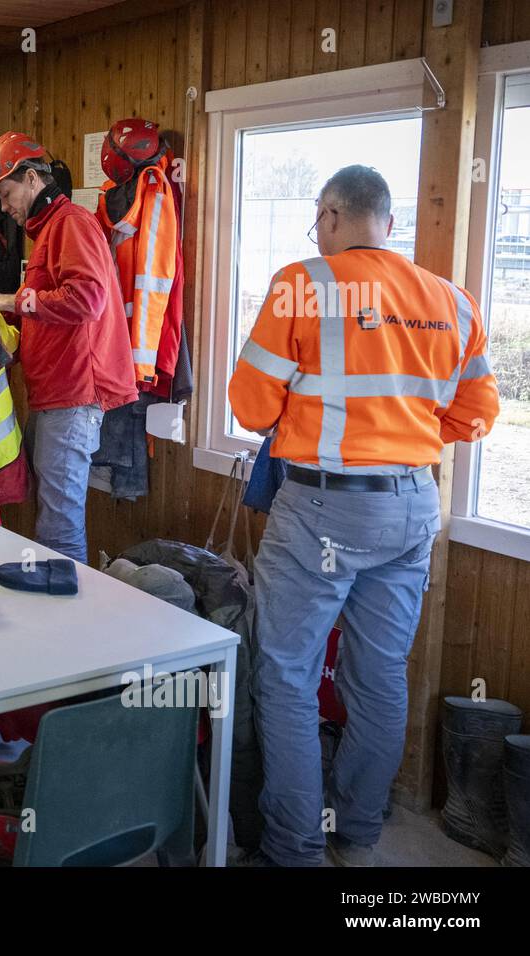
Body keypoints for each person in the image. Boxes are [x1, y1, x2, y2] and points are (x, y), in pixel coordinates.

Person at [229, 165, 500, 866]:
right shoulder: (451, 300)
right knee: (379, 678)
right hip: (411, 506)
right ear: (388, 221)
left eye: (318, 222)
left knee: (287, 675)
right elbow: (476, 416)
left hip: (323, 505)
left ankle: (294, 849)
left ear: (331, 215)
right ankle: (357, 835)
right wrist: (400, 435)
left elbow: (251, 407)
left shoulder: (304, 283)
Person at [0, 132, 138, 563]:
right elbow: (51, 313)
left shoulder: (72, 224)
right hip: (54, 394)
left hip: (74, 394)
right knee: (52, 519)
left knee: (59, 528)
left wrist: (5, 300)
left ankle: (70, 626)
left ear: (30, 178)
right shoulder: (48, 232)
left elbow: (87, 299)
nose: (4, 208)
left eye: (6, 195)